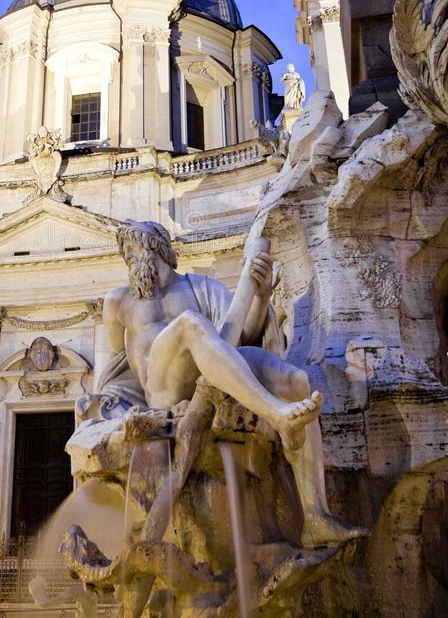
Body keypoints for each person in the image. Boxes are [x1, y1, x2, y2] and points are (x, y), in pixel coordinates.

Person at [100, 220, 363, 548]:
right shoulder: (119, 301)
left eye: (138, 248)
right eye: (128, 254)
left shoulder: (200, 287)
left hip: (214, 379)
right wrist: (114, 409)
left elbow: (241, 335)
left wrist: (262, 295)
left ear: (163, 251)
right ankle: (278, 414)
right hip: (166, 390)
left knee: (296, 380)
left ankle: (315, 517)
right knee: (192, 324)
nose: (132, 259)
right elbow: (114, 367)